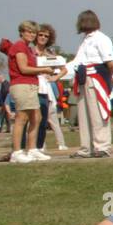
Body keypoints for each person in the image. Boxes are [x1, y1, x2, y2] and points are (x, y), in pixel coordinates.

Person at [5, 20, 58, 163]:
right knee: (21, 118)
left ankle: (33, 149)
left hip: (30, 84)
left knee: (37, 117)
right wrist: (43, 70)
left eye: (33, 32)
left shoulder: (28, 48)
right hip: (21, 84)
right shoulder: (20, 47)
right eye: (28, 31)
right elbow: (23, 68)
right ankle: (16, 152)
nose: (31, 34)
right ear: (22, 32)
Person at [67, 10, 113, 158]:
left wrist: (107, 79)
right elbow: (76, 61)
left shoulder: (102, 39)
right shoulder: (85, 40)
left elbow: (110, 63)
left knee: (98, 114)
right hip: (83, 78)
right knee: (84, 115)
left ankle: (102, 146)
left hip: (96, 78)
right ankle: (86, 147)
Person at [27, 24, 68, 152]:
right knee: (31, 118)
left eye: (46, 36)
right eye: (41, 35)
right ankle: (30, 146)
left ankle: (40, 146)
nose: (43, 38)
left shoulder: (50, 53)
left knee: (44, 119)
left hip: (45, 87)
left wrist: (55, 78)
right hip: (31, 85)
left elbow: (64, 69)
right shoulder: (29, 50)